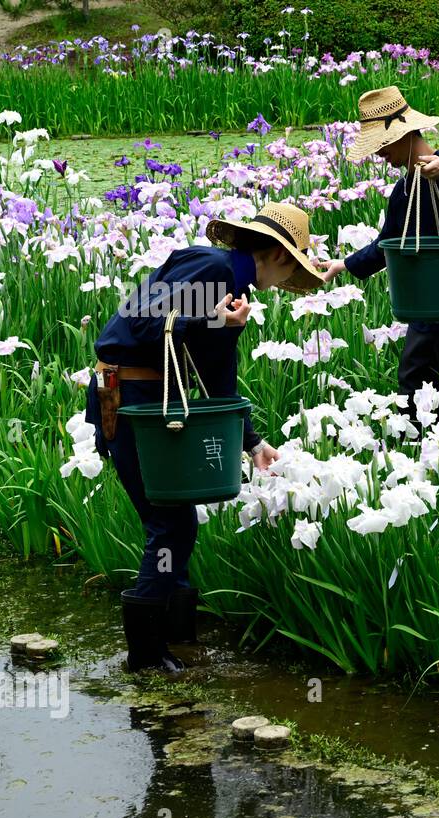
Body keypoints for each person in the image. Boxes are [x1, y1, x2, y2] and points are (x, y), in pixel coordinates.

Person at [84, 201, 325, 673]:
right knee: (171, 524)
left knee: (175, 519)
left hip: (148, 402)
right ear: (277, 255)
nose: (286, 280)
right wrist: (214, 321)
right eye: (292, 266)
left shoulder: (230, 285)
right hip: (130, 398)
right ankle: (147, 656)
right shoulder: (212, 267)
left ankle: (177, 640)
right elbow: (147, 324)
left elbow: (215, 373)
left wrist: (251, 442)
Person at [314, 86, 439, 410]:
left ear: (403, 134)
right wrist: (342, 265)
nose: (378, 153)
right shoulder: (404, 190)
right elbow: (387, 246)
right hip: (425, 316)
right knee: (413, 403)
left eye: (381, 144)